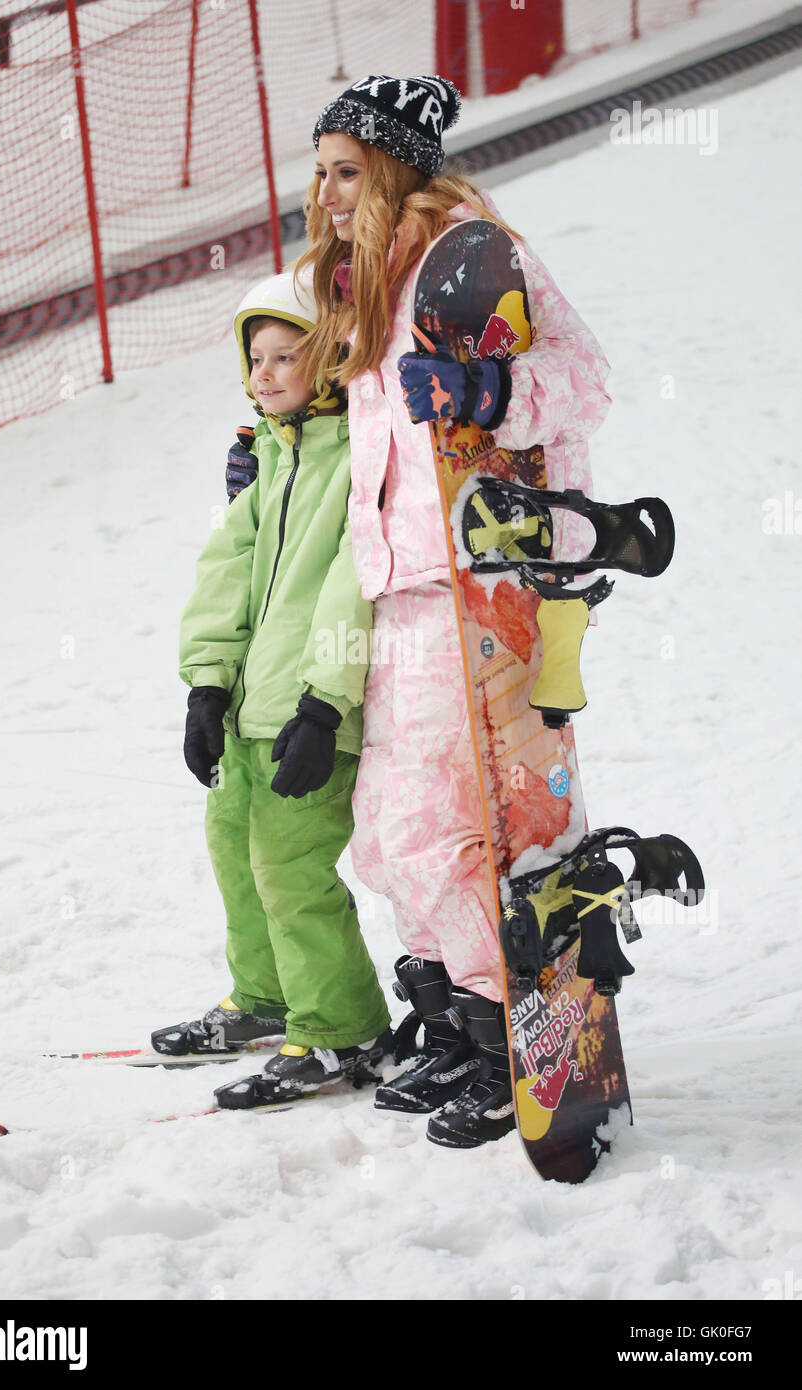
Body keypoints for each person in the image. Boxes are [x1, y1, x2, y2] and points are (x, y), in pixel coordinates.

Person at [296, 75, 612, 1148]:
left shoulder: (475, 252)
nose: (326, 190)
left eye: (346, 169)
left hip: (482, 585)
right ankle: (449, 1010)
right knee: (390, 830)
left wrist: (490, 397)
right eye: (322, 170)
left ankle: (502, 1033)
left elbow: (584, 377)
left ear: (390, 164)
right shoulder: (370, 279)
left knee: (463, 828)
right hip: (398, 583)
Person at [151, 269, 392, 1107]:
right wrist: (206, 687)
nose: (266, 374)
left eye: (287, 356)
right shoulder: (269, 465)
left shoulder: (356, 465)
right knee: (236, 855)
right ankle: (265, 1000)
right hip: (251, 710)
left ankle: (343, 1028)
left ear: (330, 360)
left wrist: (325, 706)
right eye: (256, 360)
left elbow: (352, 587)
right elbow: (224, 573)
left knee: (293, 872)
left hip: (310, 715)